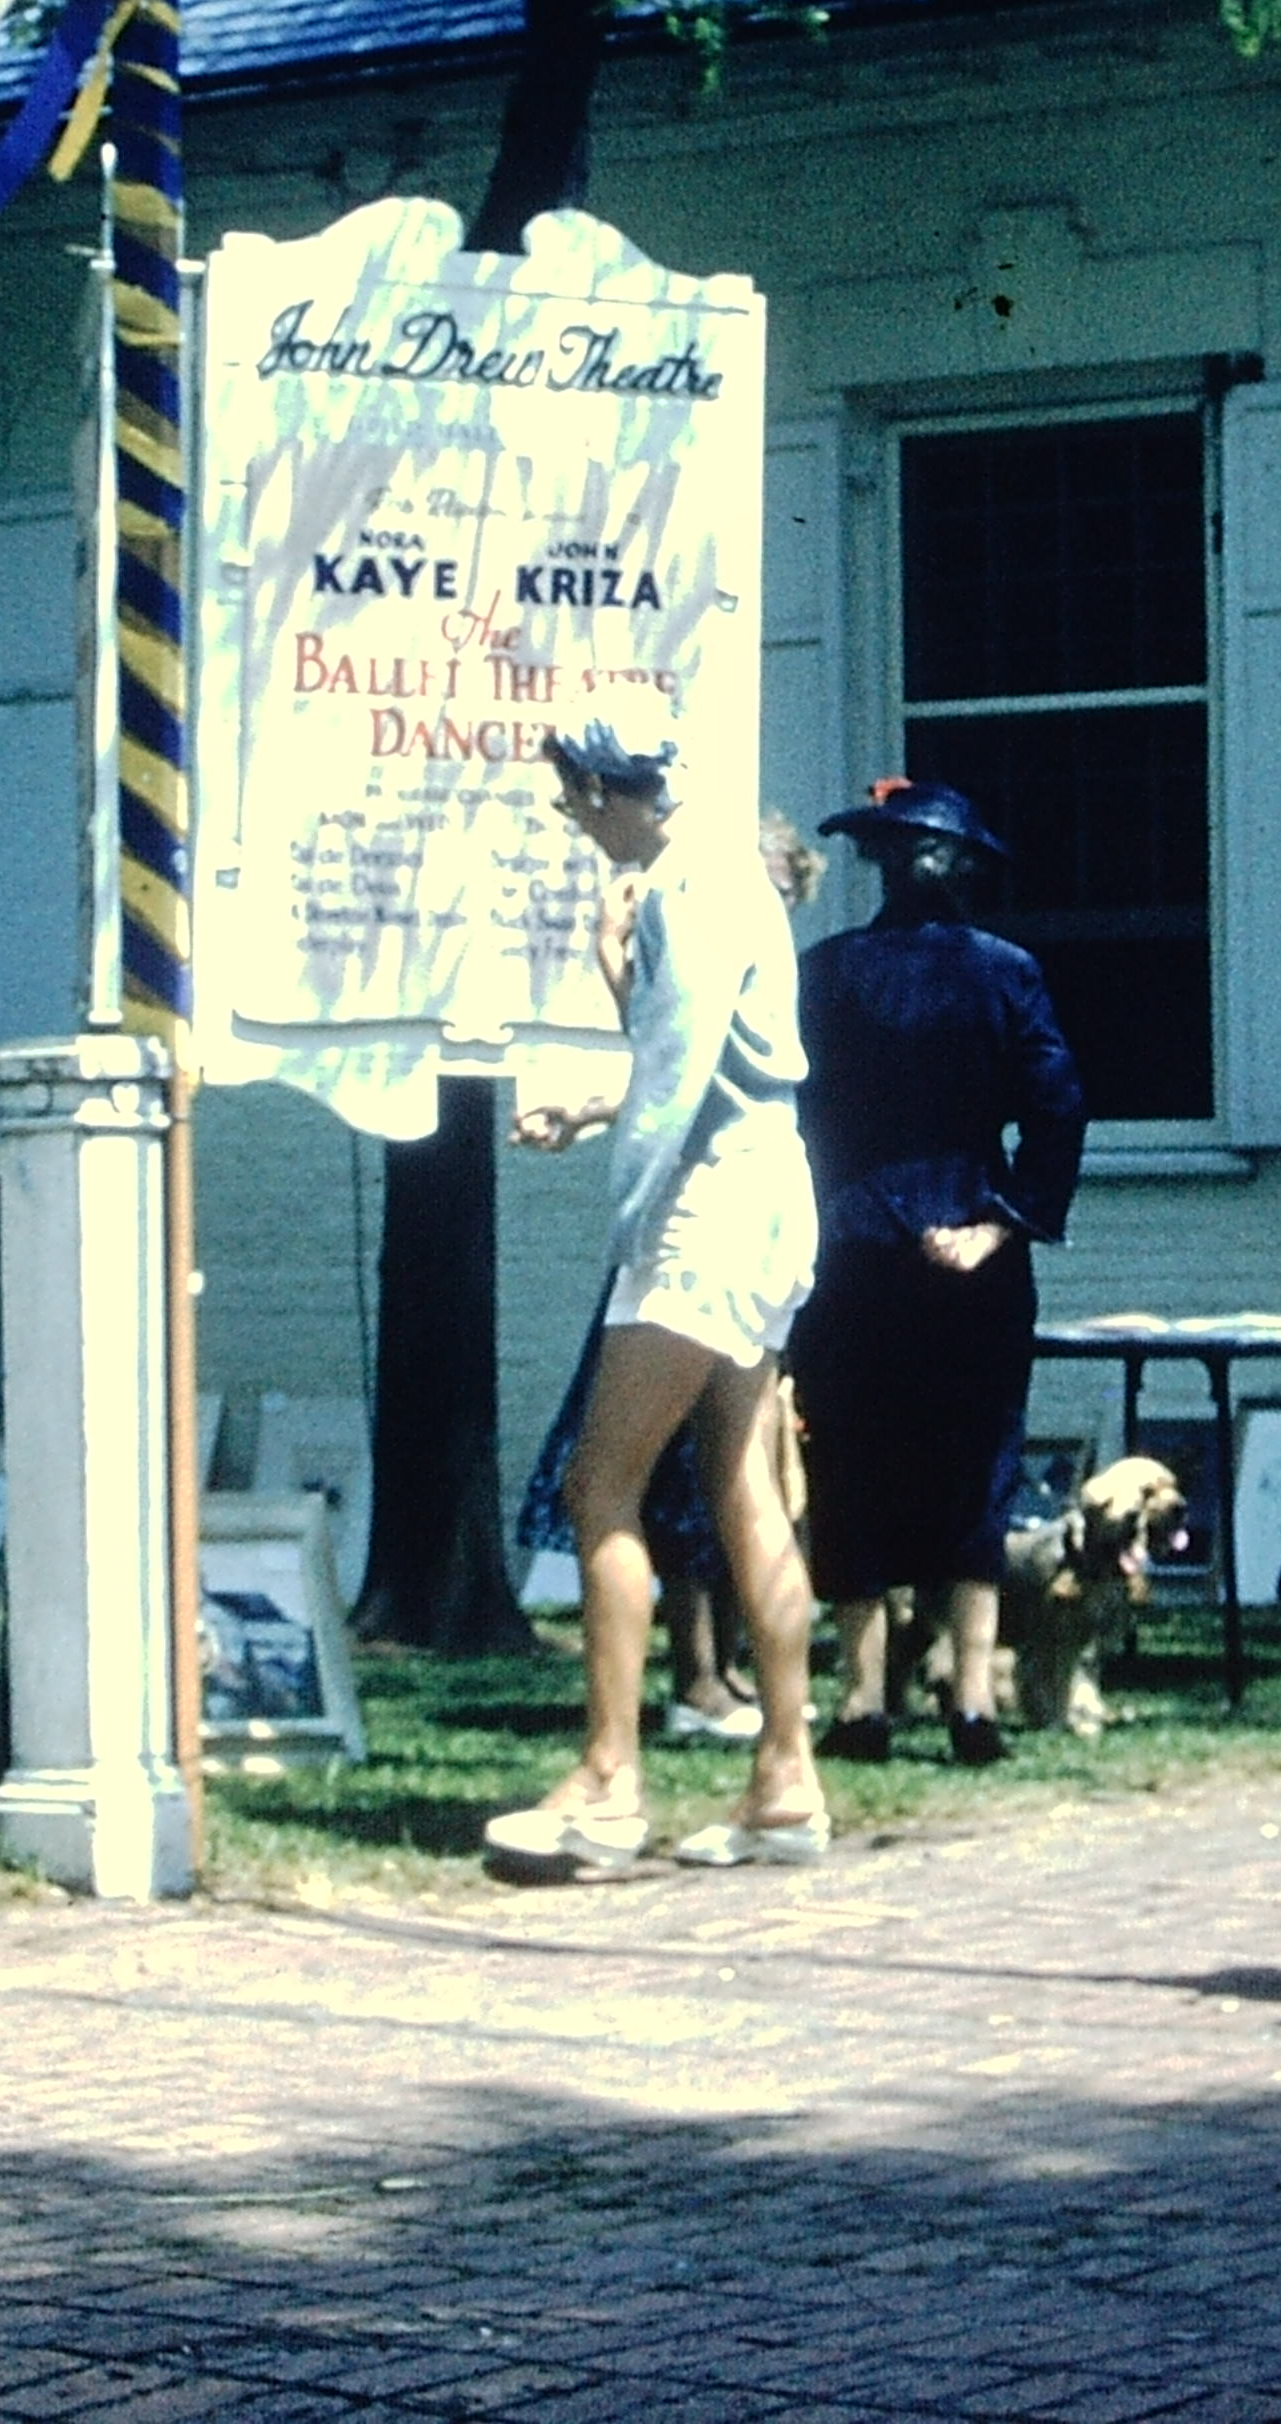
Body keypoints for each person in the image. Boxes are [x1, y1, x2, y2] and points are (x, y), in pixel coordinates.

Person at [483, 723, 831, 1874]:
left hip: (707, 1212)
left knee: (602, 1484)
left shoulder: (688, 883)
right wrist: (595, 1088)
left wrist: (628, 1233)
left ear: (597, 787)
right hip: (770, 1191)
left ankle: (607, 1782)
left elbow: (678, 1075)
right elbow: (715, 1048)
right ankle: (785, 1781)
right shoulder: (721, 869)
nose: (571, 820)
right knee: (743, 1483)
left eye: (569, 801)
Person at [785, 782, 1086, 1766]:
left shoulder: (823, 975)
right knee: (975, 1468)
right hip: (970, 1248)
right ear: (966, 867)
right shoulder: (1008, 974)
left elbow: (797, 1118)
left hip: (854, 1242)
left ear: (880, 863)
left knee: (853, 1466)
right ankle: (970, 1705)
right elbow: (1057, 1113)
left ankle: (865, 1703)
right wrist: (1000, 1226)